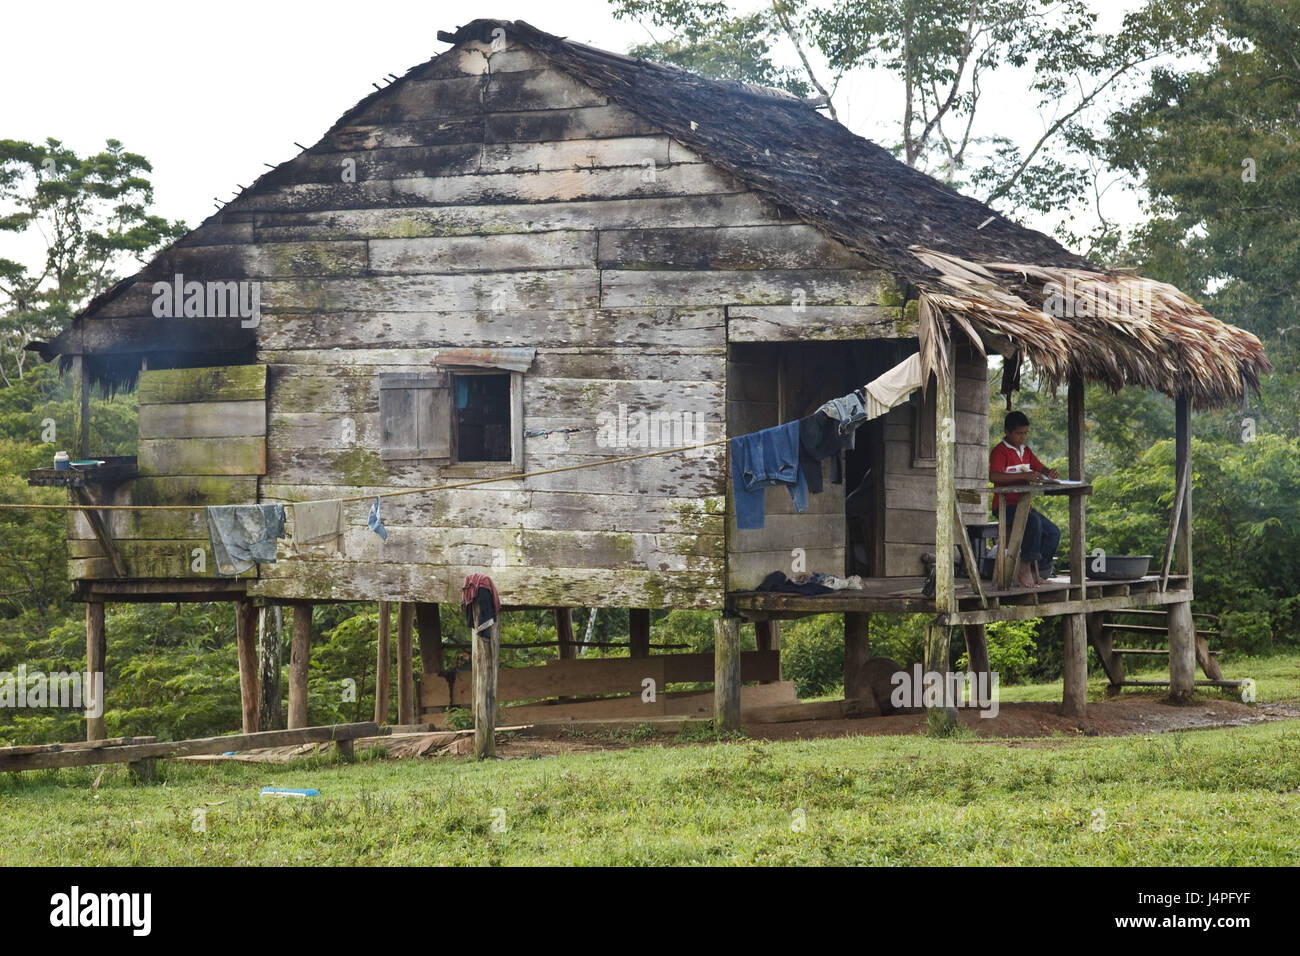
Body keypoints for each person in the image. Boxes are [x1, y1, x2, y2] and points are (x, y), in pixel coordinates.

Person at [989, 411, 1061, 588]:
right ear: (1007, 431)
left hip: (1023, 506)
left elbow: (1040, 467)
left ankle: (1039, 572)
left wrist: (1048, 472)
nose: (1022, 437)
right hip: (1005, 506)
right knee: (1034, 522)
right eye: (1019, 433)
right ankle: (1024, 568)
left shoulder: (1026, 451)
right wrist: (1026, 475)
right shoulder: (1000, 451)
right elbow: (994, 476)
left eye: (1025, 433)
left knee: (1053, 532)